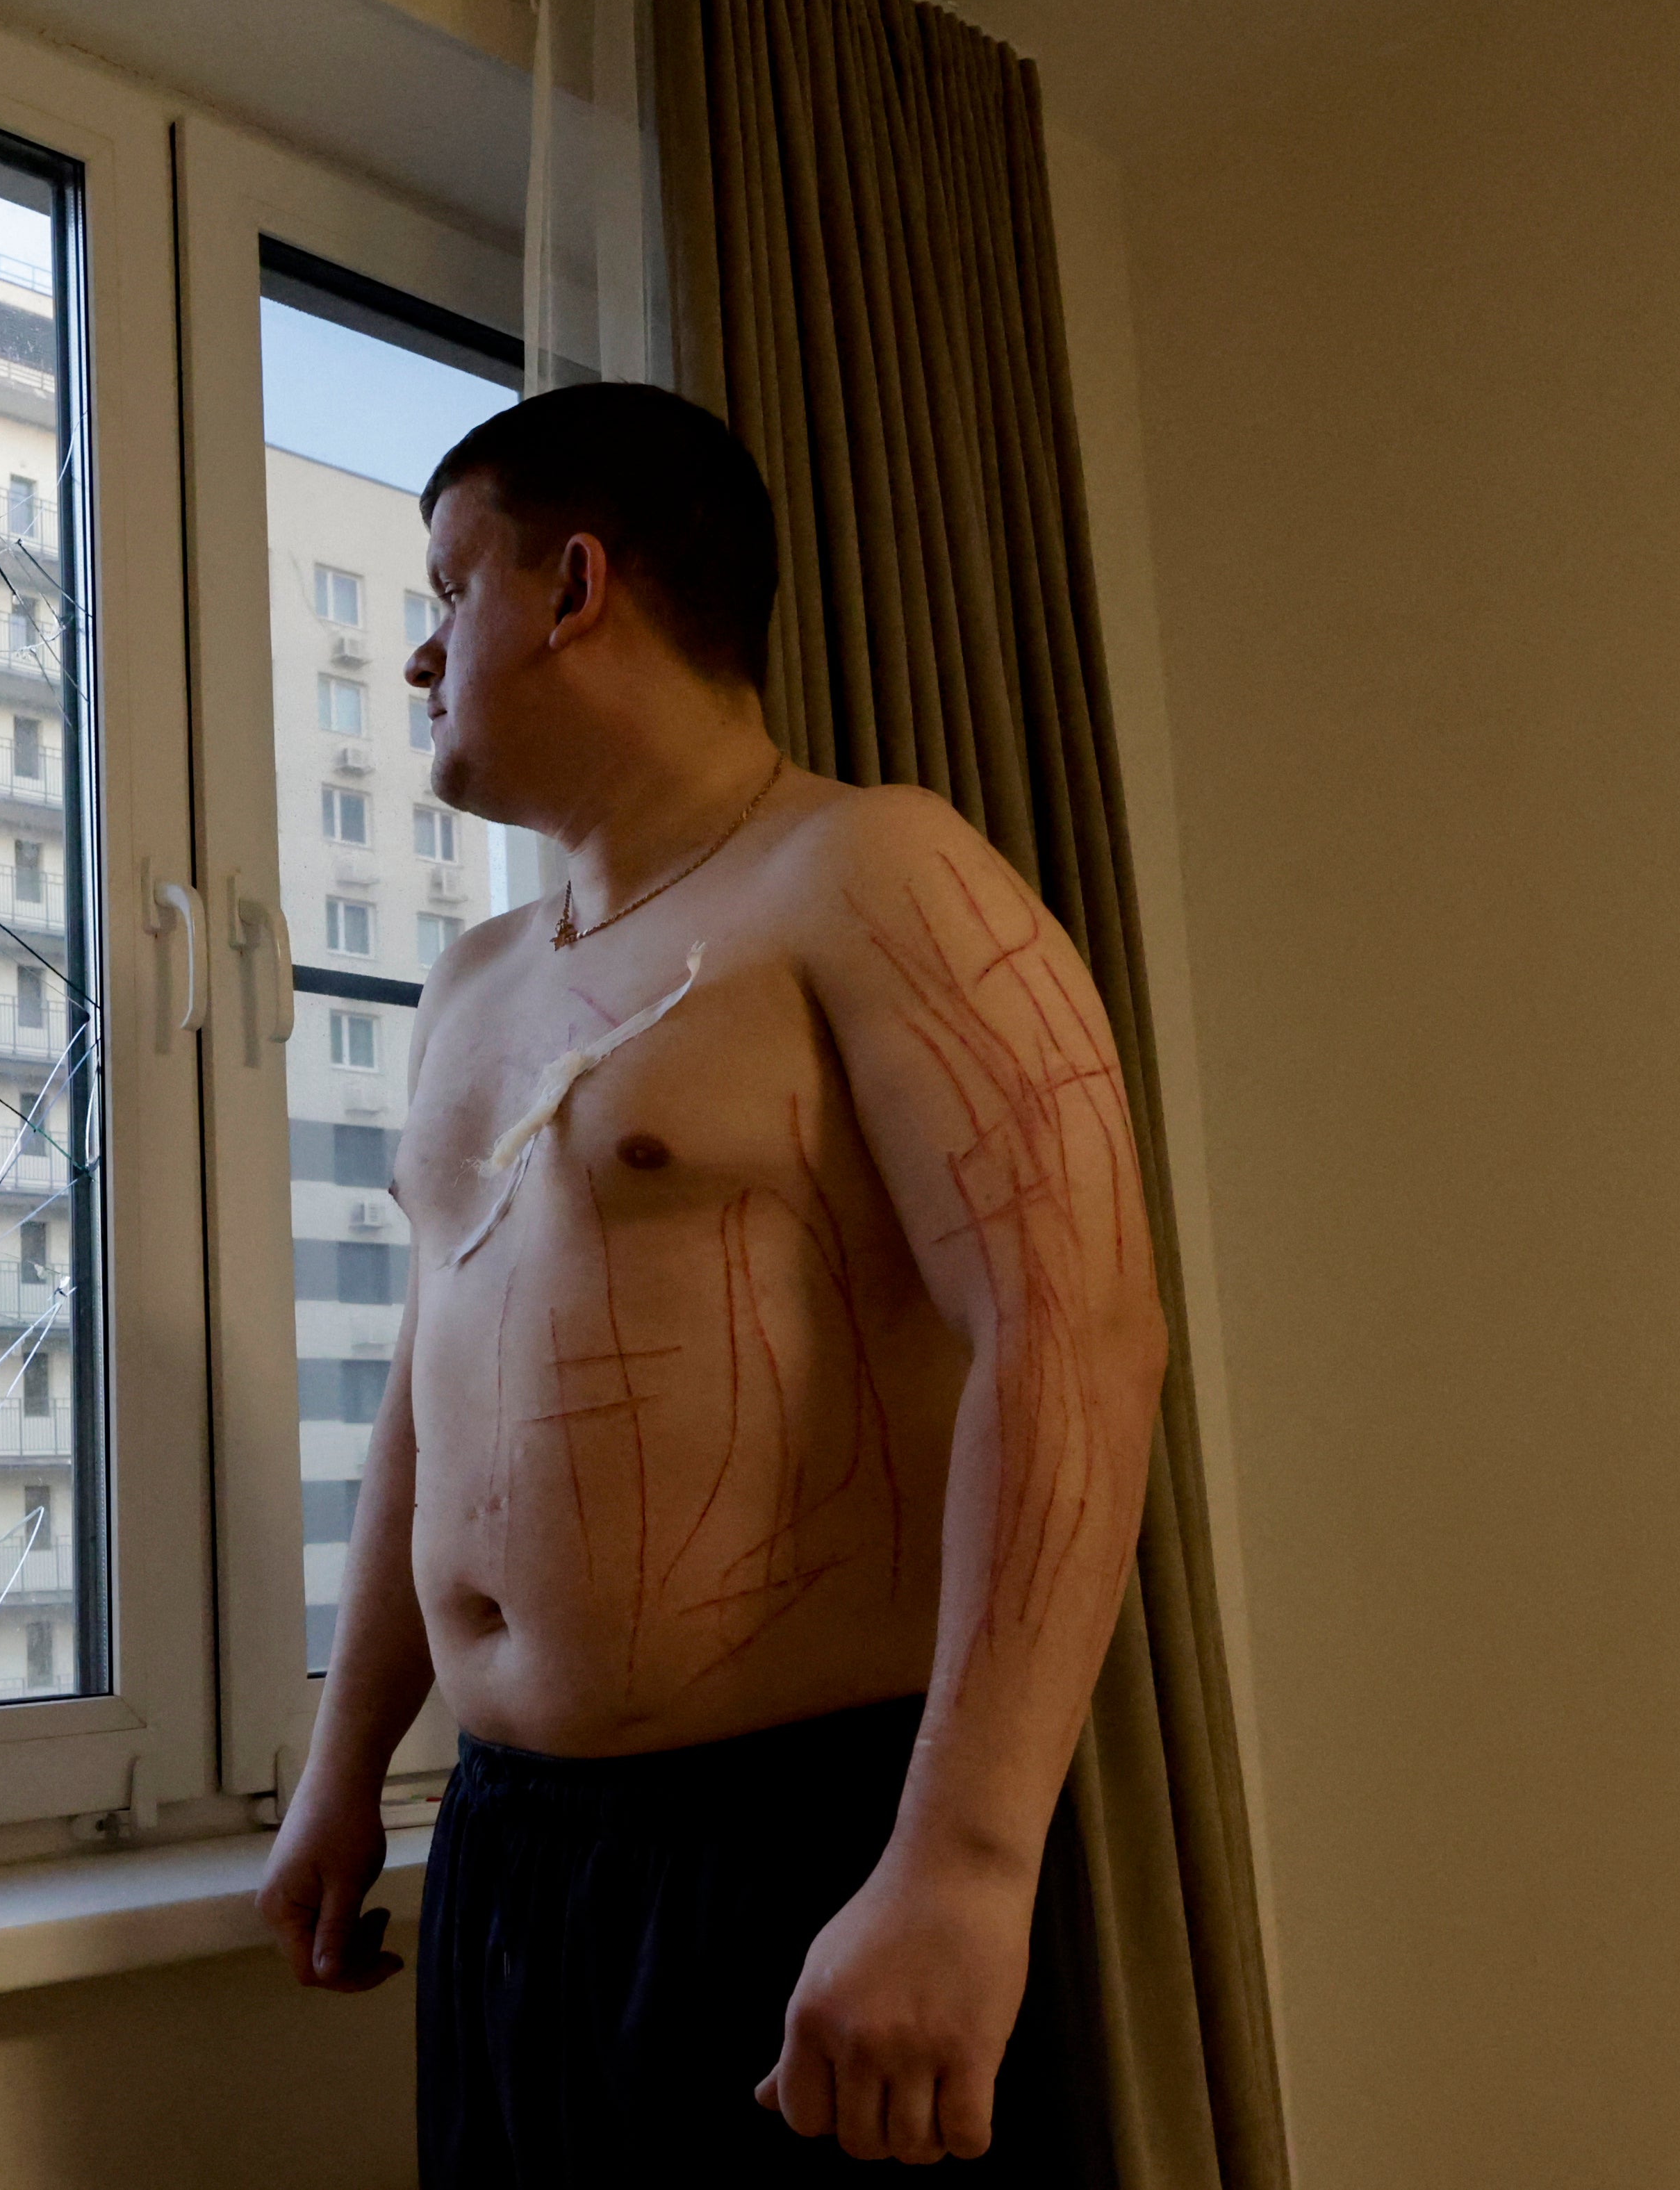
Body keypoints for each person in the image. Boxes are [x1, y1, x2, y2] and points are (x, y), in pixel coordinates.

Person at [256, 382, 1169, 2177]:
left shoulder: (865, 871)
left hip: (798, 1839)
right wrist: (341, 1763)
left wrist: (965, 1865)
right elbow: (424, 1412)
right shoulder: (469, 985)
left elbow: (1073, 1330)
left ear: (572, 585)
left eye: (450, 590)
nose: (426, 656)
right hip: (511, 1853)